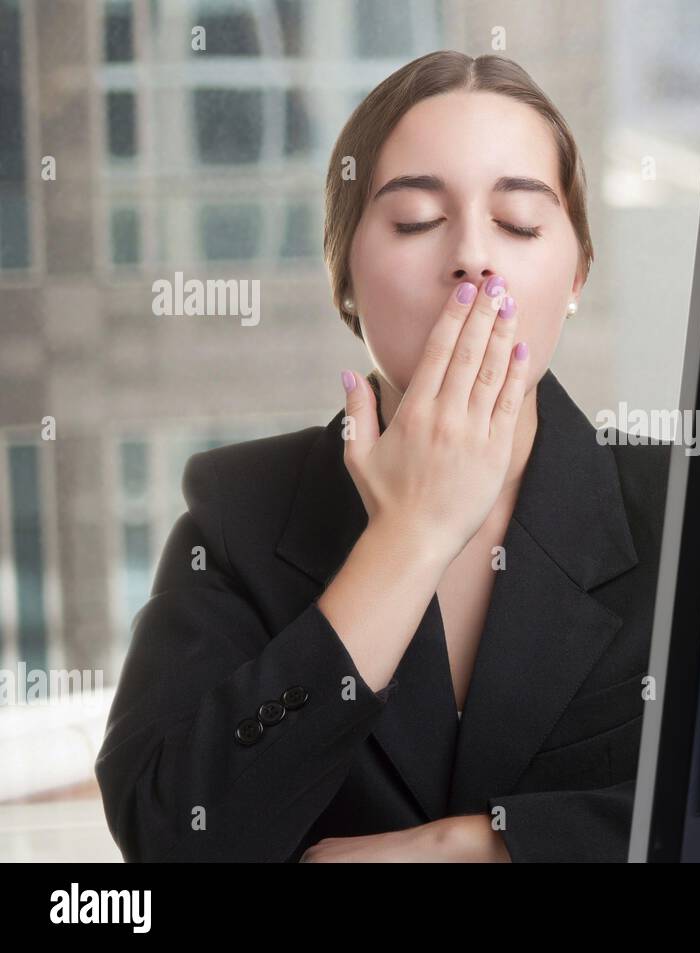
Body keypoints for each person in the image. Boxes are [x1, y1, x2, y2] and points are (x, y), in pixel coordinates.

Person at [94, 50, 670, 863]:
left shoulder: (695, 504)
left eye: (519, 222)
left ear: (577, 270)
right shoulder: (237, 515)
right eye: (415, 221)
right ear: (346, 282)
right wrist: (407, 541)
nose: (474, 257)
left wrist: (474, 850)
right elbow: (170, 837)